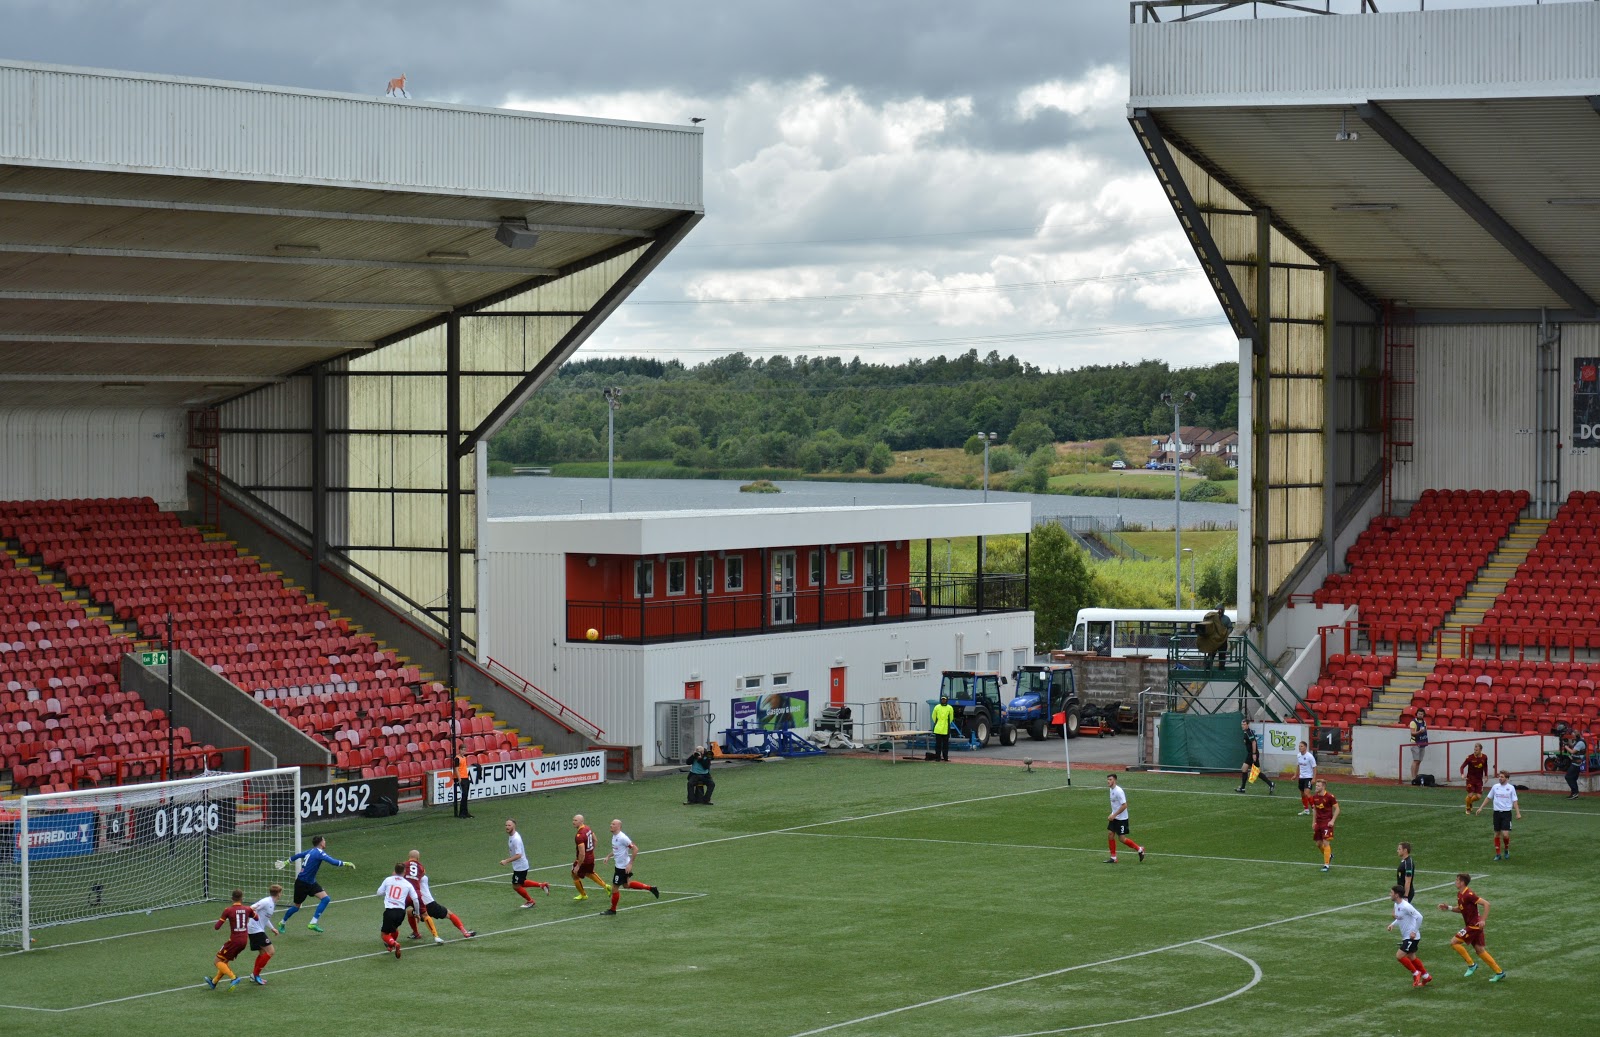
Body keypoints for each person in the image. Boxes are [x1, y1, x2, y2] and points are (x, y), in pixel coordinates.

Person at [1437, 872, 1505, 982]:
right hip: (1471, 925)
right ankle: (1499, 972)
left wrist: (1483, 920)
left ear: (1462, 882)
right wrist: (1448, 908)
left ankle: (1471, 965)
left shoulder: (1469, 894)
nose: (1455, 882)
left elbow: (1487, 904)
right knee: (1480, 950)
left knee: (1454, 942)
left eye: (1457, 880)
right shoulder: (1460, 894)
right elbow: (1460, 909)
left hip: (1474, 926)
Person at [280, 835, 354, 932]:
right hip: (301, 883)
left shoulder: (311, 851)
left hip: (311, 883)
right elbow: (333, 862)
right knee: (296, 907)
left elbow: (298, 855)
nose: (325, 842)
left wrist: (287, 862)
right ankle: (282, 922)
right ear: (321, 843)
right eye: (324, 840)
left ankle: (313, 923)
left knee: (326, 899)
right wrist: (346, 863)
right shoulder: (319, 853)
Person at [404, 849, 475, 943]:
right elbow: (422, 872)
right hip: (429, 903)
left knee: (409, 913)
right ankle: (465, 932)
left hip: (417, 903)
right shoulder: (421, 873)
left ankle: (416, 933)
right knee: (449, 914)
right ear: (418, 857)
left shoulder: (408, 875)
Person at [600, 818, 660, 914]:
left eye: (613, 824)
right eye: (611, 823)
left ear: (619, 826)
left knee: (614, 888)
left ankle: (613, 910)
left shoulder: (622, 838)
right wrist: (608, 856)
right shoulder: (614, 837)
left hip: (622, 867)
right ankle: (651, 888)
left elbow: (635, 849)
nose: (611, 825)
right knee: (626, 885)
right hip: (620, 866)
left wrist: (630, 863)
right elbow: (617, 850)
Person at [236, 884, 282, 987]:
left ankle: (254, 975)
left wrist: (272, 928)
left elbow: (265, 918)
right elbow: (251, 908)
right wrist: (246, 919)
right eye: (281, 893)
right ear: (278, 894)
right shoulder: (266, 901)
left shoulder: (271, 903)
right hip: (255, 929)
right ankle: (256, 975)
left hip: (257, 929)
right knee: (271, 951)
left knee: (262, 953)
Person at [1387, 883, 1431, 988]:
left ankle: (1416, 973)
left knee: (1399, 956)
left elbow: (1419, 917)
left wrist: (1414, 931)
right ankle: (1426, 976)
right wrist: (1392, 924)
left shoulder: (1406, 906)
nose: (1390, 894)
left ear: (1397, 895)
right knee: (1411, 957)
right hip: (1407, 936)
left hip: (1412, 937)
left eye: (1391, 893)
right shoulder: (1396, 905)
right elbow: (1400, 918)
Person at [500, 818, 552, 907]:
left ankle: (530, 901)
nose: (507, 827)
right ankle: (542, 885)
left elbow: (518, 855)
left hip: (520, 866)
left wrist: (506, 861)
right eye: (506, 825)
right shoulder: (512, 836)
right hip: (519, 865)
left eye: (509, 825)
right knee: (522, 882)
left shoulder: (516, 839)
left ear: (514, 826)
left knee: (516, 886)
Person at [206, 889, 251, 990]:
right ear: (242, 898)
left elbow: (217, 927)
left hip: (234, 940)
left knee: (217, 961)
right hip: (244, 941)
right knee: (224, 960)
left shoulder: (228, 910)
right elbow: (256, 918)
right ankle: (214, 982)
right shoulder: (248, 909)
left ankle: (233, 978)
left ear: (232, 898)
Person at [1474, 771, 1521, 860]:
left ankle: (1506, 849)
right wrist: (1480, 808)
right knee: (1496, 834)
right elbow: (1488, 798)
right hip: (1496, 813)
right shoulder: (1495, 787)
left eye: (1502, 777)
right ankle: (1498, 854)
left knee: (1506, 834)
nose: (1500, 778)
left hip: (1506, 813)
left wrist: (1518, 813)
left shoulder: (1511, 788)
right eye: (1499, 776)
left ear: (1507, 778)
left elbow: (1515, 801)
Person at [377, 862, 420, 959]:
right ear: (404, 871)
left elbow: (379, 892)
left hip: (390, 911)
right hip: (401, 912)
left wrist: (386, 892)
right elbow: (416, 900)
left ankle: (394, 943)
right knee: (395, 929)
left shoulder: (388, 880)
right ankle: (390, 946)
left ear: (395, 870)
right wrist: (417, 913)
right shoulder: (408, 884)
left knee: (384, 934)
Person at [1102, 773, 1146, 864]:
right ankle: (1113, 857)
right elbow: (1115, 805)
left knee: (1122, 839)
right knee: (1110, 834)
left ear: (1115, 780)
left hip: (1122, 819)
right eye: (1108, 779)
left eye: (1110, 779)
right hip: (1115, 817)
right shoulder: (1111, 790)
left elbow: (1124, 805)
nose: (1108, 781)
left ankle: (1139, 849)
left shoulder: (1119, 791)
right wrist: (1112, 814)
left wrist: (1114, 815)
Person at [571, 814, 613, 901]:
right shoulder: (587, 828)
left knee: (574, 875)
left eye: (575, 820)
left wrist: (578, 865)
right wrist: (591, 851)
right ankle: (605, 886)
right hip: (591, 857)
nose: (573, 822)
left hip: (583, 860)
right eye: (573, 820)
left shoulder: (579, 836)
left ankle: (583, 895)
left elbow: (582, 853)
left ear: (581, 821)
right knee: (590, 873)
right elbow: (595, 840)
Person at [1236, 717, 1275, 795]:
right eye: (1242, 724)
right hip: (1251, 754)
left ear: (1248, 725)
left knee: (1249, 770)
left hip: (1252, 754)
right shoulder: (1246, 732)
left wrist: (1254, 754)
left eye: (1244, 724)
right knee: (1252, 771)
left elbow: (1254, 742)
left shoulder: (1248, 732)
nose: (1242, 726)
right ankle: (1270, 784)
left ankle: (1243, 788)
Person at [1310, 778, 1339, 872]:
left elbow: (1337, 809)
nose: (1316, 787)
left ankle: (1326, 864)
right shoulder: (1314, 797)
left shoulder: (1330, 796)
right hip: (1318, 823)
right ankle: (1329, 855)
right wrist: (1313, 822)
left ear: (1323, 787)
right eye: (1316, 785)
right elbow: (1314, 810)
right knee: (1318, 844)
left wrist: (1332, 821)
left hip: (1327, 823)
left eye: (1318, 786)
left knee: (1326, 842)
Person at [1459, 743, 1489, 814]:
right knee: (1470, 794)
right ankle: (1468, 808)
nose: (1475, 751)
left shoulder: (1484, 757)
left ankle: (1470, 802)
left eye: (1477, 750)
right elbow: (1462, 767)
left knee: (1478, 797)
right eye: (1474, 750)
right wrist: (1462, 774)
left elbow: (1485, 766)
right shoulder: (1470, 758)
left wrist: (1486, 775)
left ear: (1480, 750)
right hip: (1470, 779)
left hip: (1479, 780)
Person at [931, 693, 956, 762]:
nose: (943, 700)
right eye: (942, 699)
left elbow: (951, 718)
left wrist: (946, 724)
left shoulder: (950, 708)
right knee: (938, 745)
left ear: (947, 700)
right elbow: (933, 716)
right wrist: (938, 723)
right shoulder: (937, 707)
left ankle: (945, 757)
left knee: (945, 744)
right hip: (938, 729)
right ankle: (937, 757)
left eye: (944, 699)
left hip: (946, 729)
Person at [1408, 708, 1429, 784]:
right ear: (1416, 714)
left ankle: (1416, 776)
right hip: (1415, 743)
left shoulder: (1424, 722)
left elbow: (1426, 730)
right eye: (1419, 714)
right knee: (1415, 760)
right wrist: (1420, 731)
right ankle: (1413, 777)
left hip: (1422, 742)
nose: (1420, 715)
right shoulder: (1413, 722)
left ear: (1423, 715)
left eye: (1422, 714)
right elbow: (1412, 733)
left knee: (1419, 761)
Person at [1564, 729, 1587, 799]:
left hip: (1576, 763)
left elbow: (1572, 751)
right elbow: (1572, 745)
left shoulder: (1580, 743)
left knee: (1568, 777)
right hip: (1575, 762)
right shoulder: (1579, 741)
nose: (1573, 738)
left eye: (1573, 736)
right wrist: (1568, 742)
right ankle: (1574, 793)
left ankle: (1575, 793)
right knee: (1573, 778)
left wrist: (1566, 747)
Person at [1295, 740, 1317, 815]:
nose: (1300, 747)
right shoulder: (1298, 755)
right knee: (1302, 794)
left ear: (1305, 747)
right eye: (1299, 746)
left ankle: (1314, 808)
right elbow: (1298, 765)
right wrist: (1295, 775)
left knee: (1307, 793)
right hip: (1301, 777)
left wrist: (1314, 778)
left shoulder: (1310, 756)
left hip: (1308, 777)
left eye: (1301, 746)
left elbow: (1314, 767)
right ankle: (1306, 810)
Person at [453, 752, 474, 818]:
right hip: (461, 778)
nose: (464, 751)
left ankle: (465, 812)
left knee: (465, 795)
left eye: (464, 750)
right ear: (460, 750)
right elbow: (456, 769)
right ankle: (461, 813)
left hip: (465, 777)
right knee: (464, 795)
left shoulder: (464, 758)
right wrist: (459, 778)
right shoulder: (457, 758)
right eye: (462, 750)